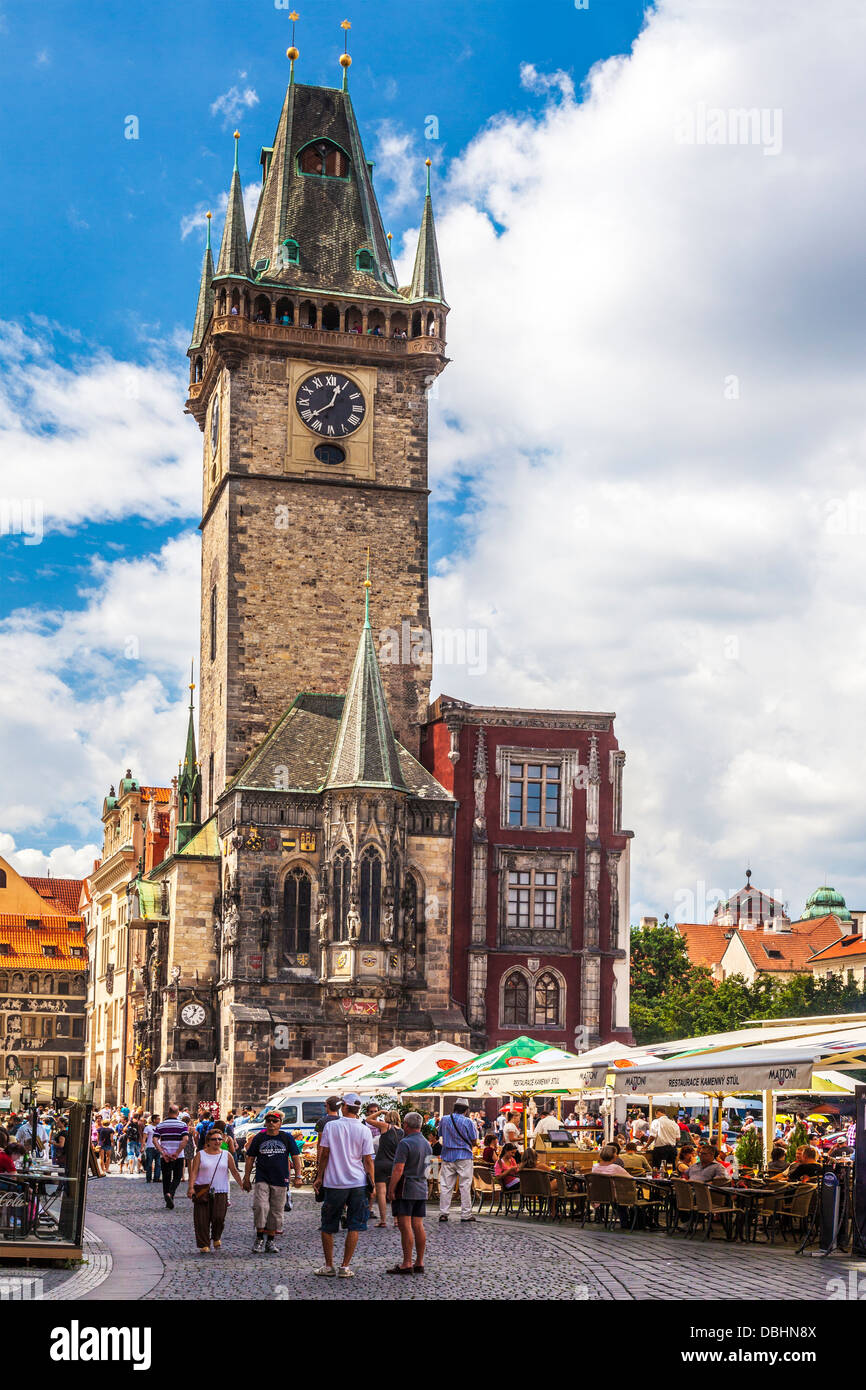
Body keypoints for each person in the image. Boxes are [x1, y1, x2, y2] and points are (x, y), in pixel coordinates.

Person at [313, 1093, 375, 1278]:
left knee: (328, 1225)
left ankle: (329, 1265)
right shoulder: (364, 1129)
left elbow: (325, 1154)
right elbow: (368, 1160)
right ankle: (345, 1266)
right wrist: (371, 1182)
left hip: (334, 1182)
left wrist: (319, 1176)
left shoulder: (332, 1126)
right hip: (357, 1182)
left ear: (344, 1107)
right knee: (354, 1225)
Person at [243, 1110, 302, 1254]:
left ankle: (270, 1240)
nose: (271, 1123)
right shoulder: (259, 1138)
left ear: (280, 1123)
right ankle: (259, 1238)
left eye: (274, 1121)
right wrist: (246, 1178)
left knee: (276, 1211)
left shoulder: (286, 1137)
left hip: (281, 1179)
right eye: (268, 1120)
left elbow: (295, 1156)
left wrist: (298, 1176)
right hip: (262, 1177)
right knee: (260, 1206)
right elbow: (250, 1158)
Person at [386, 1111, 432, 1275]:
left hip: (406, 1188)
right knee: (418, 1225)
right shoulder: (427, 1143)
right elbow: (430, 1170)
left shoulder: (405, 1143)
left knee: (405, 1227)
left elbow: (399, 1168)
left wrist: (391, 1188)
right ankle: (419, 1261)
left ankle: (407, 1263)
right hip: (421, 1186)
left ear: (406, 1125)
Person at [187, 1125, 243, 1254]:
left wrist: (242, 1184)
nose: (217, 1141)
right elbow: (194, 1172)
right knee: (201, 1219)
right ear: (208, 1141)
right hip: (202, 1190)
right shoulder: (200, 1155)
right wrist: (191, 1187)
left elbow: (234, 1171)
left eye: (219, 1139)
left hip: (220, 1191)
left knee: (219, 1218)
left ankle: (216, 1236)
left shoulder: (226, 1155)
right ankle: (204, 1244)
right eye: (214, 1139)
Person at [437, 1098, 477, 1224]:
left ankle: (443, 1213)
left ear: (454, 1108)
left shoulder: (444, 1119)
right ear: (466, 1110)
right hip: (464, 1156)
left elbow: (440, 1134)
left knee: (446, 1186)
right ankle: (466, 1214)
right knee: (465, 1186)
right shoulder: (468, 1122)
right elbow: (474, 1140)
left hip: (448, 1155)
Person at [153, 1105, 190, 1209]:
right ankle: (171, 1194)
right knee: (177, 1177)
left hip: (165, 1156)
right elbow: (185, 1139)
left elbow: (154, 1140)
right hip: (178, 1156)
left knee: (166, 1177)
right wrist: (177, 1152)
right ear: (178, 1113)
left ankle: (167, 1197)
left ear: (168, 1112)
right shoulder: (182, 1124)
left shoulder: (161, 1125)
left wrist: (162, 1152)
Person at [373, 1111, 404, 1228]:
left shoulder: (385, 1126)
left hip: (381, 1163)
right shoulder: (402, 1132)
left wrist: (380, 1111)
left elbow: (368, 1120)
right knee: (394, 1192)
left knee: (381, 1192)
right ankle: (396, 1220)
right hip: (394, 1164)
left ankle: (383, 1220)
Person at [143, 1114, 161, 1183]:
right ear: (153, 1120)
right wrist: (142, 1146)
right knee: (149, 1164)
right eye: (158, 1119)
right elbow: (144, 1138)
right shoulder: (148, 1127)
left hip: (158, 1147)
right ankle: (148, 1178)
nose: (159, 1120)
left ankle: (156, 1178)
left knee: (158, 1164)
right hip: (150, 1147)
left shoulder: (160, 1127)